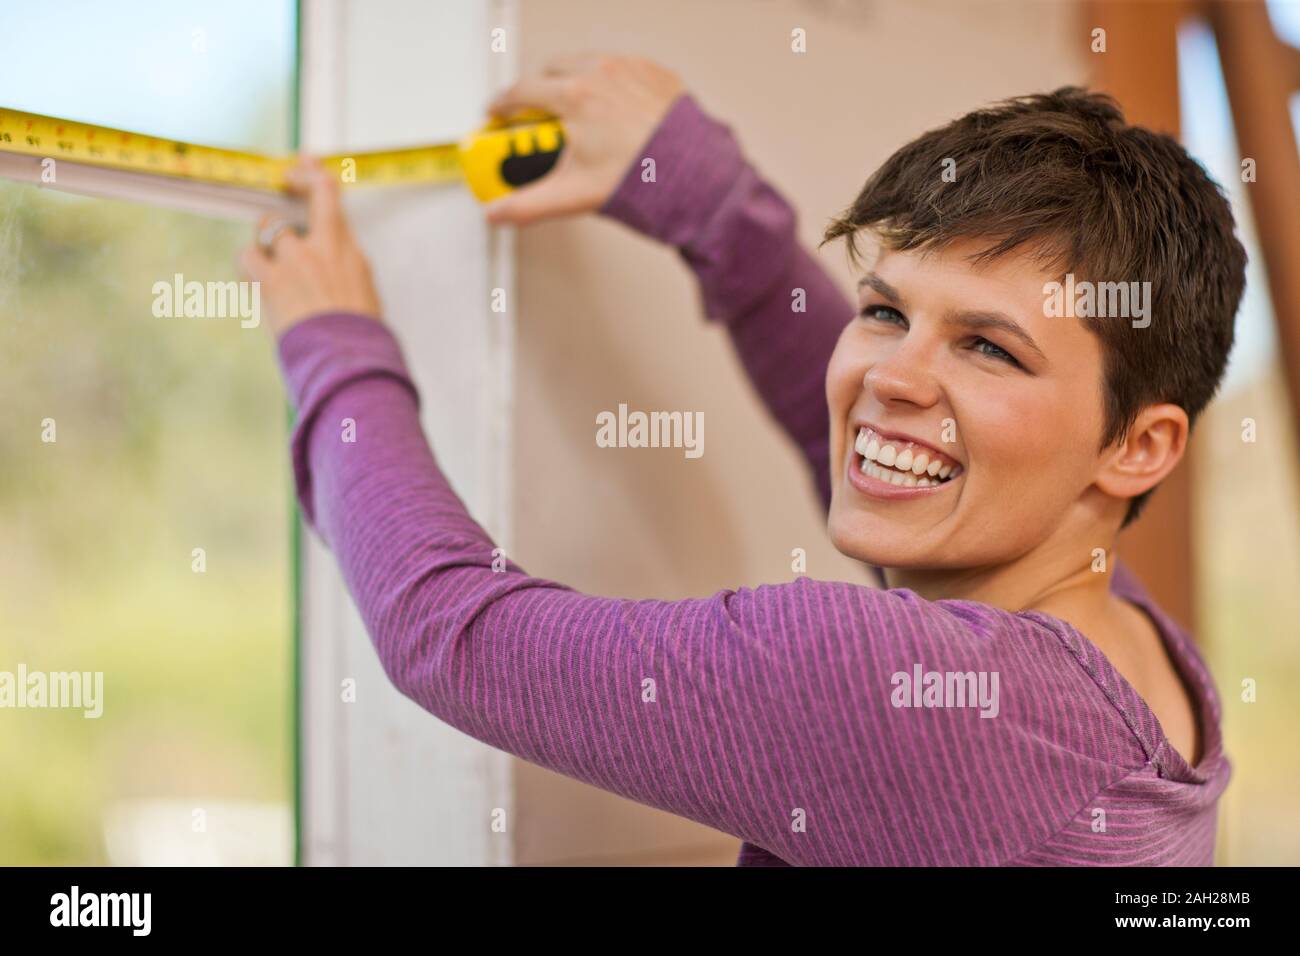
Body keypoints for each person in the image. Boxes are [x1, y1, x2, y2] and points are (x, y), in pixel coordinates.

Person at [240, 54, 1241, 866]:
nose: (890, 376)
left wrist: (336, 341)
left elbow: (448, 631)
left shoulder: (909, 699)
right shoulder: (1132, 651)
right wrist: (698, 191)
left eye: (988, 347)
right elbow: (860, 436)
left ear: (1137, 445)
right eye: (884, 309)